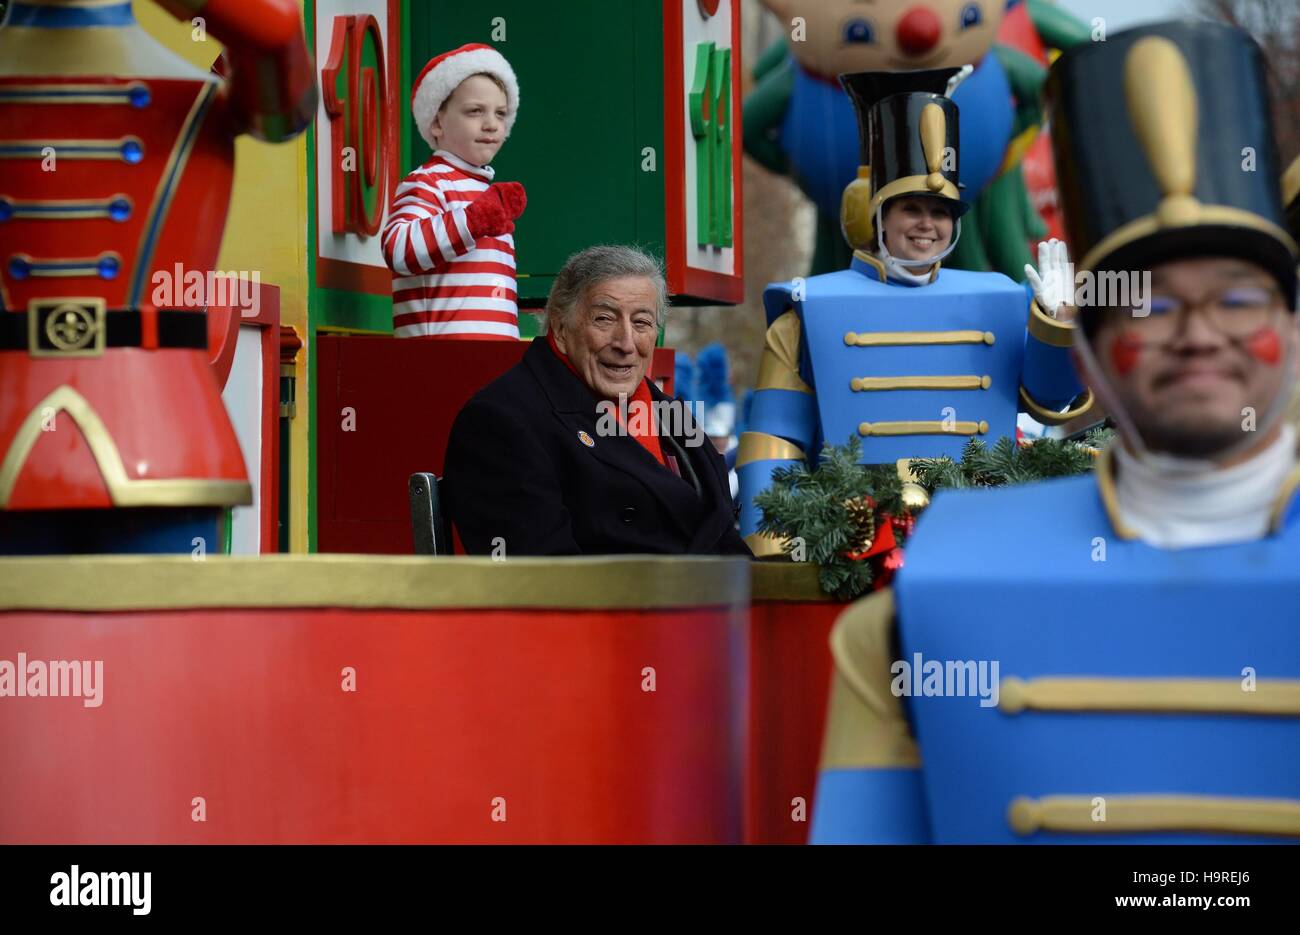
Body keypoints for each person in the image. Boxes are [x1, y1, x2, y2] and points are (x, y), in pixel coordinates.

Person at [809, 20, 1300, 844]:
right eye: (1149, 303)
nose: (1197, 332)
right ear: (1098, 350)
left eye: (1239, 298)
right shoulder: (911, 614)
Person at [738, 68, 1091, 555]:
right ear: (878, 214)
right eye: (912, 209)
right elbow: (774, 439)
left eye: (941, 212)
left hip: (979, 539)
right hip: (853, 544)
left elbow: (1052, 400)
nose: (928, 225)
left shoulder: (1002, 298)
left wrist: (1058, 325)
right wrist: (775, 546)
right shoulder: (808, 307)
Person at [442, 245, 752, 557]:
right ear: (561, 328)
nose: (626, 343)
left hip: (715, 596)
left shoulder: (665, 410)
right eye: (605, 319)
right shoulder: (500, 422)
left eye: (642, 322)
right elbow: (537, 578)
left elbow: (719, 528)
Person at [382, 43, 527, 340]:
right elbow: (398, 249)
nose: (491, 125)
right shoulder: (427, 181)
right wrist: (471, 221)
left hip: (494, 356)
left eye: (501, 114)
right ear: (437, 122)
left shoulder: (484, 192)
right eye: (475, 111)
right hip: (440, 358)